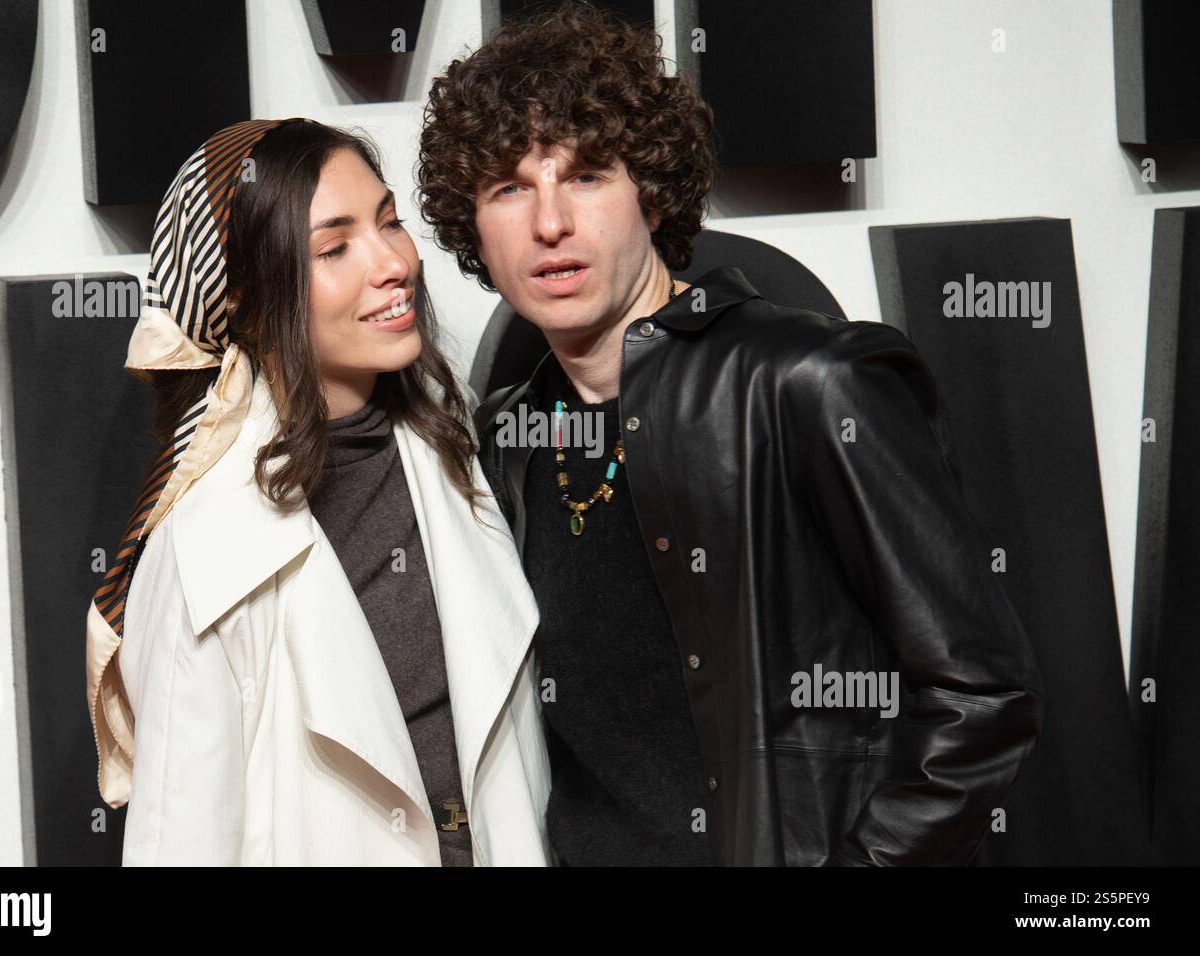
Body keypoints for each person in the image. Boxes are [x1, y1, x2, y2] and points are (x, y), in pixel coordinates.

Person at [416, 1, 1045, 866]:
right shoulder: (504, 440)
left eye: (588, 174)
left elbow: (983, 692)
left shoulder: (812, 384)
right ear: (472, 226)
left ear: (652, 190)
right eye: (509, 187)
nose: (549, 222)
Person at [84, 118, 550, 866]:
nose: (393, 262)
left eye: (389, 223)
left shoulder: (450, 430)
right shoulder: (206, 549)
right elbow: (179, 846)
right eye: (335, 248)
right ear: (252, 297)